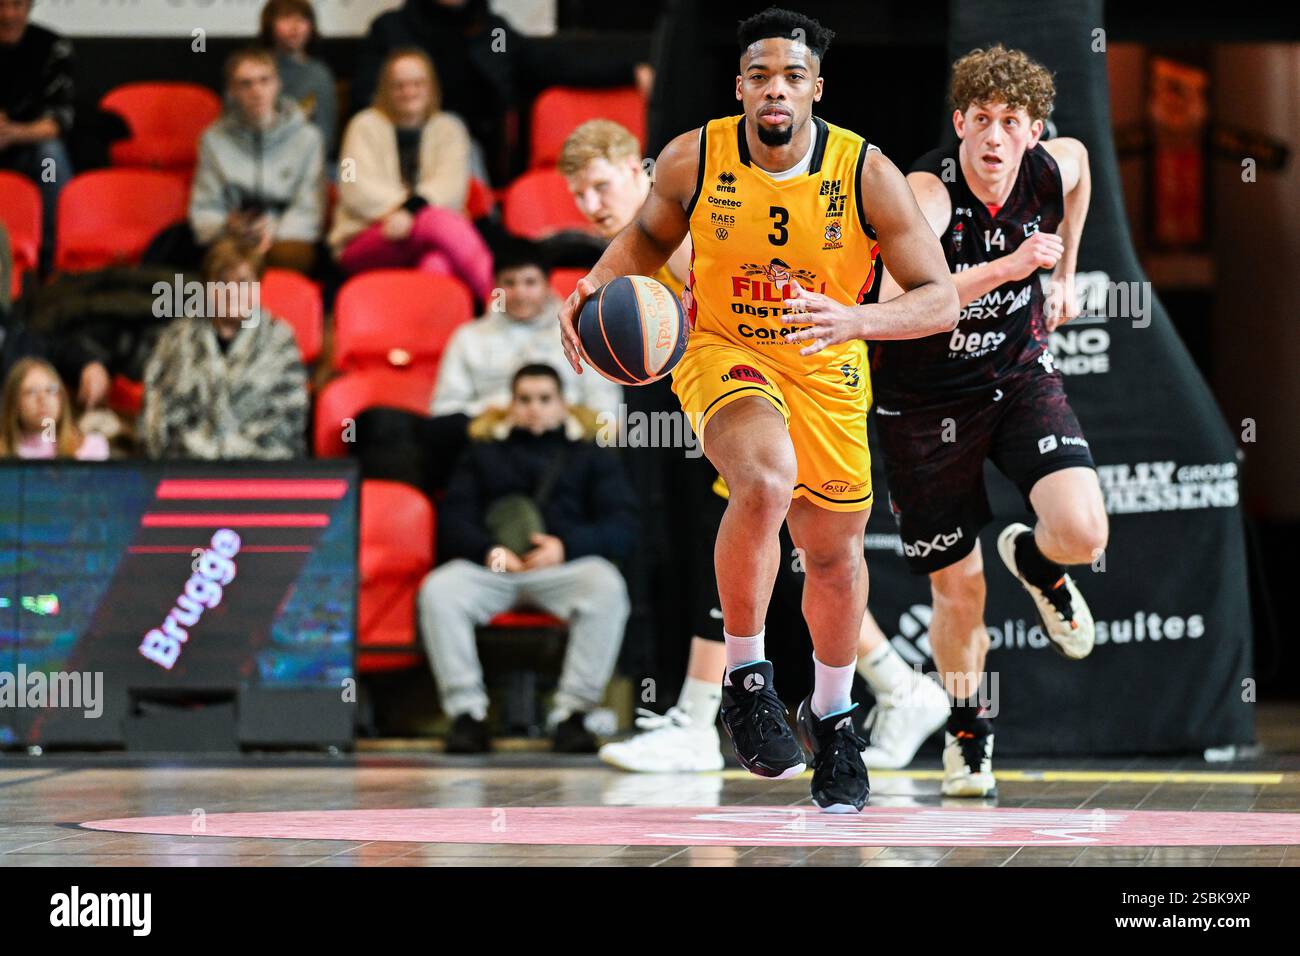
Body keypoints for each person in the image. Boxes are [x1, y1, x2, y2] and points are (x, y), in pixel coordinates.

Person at [560, 7, 958, 811]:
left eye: (792, 76)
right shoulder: (691, 157)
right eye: (760, 75)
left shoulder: (864, 171)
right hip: (724, 352)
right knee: (765, 481)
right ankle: (747, 680)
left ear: (817, 88)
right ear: (739, 85)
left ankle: (837, 720)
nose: (775, 89)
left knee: (836, 559)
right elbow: (641, 240)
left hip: (828, 363)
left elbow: (940, 300)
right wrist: (590, 294)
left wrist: (856, 320)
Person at [852, 45, 1105, 796]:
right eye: (983, 120)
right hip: (924, 406)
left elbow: (1084, 166)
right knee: (959, 589)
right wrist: (1011, 267)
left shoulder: (1051, 167)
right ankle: (968, 730)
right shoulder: (927, 193)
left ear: (1032, 132)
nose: (995, 137)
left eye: (1012, 123)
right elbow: (905, 305)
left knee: (1086, 531)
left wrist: (1063, 276)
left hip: (1016, 380)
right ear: (960, 122)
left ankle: (1040, 563)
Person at [419, 363, 636, 754]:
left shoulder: (590, 456)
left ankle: (573, 715)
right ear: (510, 406)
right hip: (496, 571)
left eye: (544, 399)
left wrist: (564, 547)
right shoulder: (482, 454)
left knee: (605, 585)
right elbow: (453, 520)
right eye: (524, 400)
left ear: (563, 405)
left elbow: (622, 526)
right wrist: (490, 551)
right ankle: (468, 714)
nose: (534, 408)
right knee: (441, 590)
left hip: (562, 570)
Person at [353, 0, 652, 182]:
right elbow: (365, 102)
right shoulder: (390, 29)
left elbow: (556, 63)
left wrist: (627, 71)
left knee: (463, 145)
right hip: (399, 157)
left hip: (477, 163)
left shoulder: (492, 32)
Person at [330, 48, 493, 307]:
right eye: (399, 85)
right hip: (368, 236)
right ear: (385, 89)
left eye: (418, 83)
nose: (409, 92)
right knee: (437, 222)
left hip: (432, 236)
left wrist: (409, 214)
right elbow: (355, 188)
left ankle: (426, 339)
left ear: (431, 87)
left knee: (436, 263)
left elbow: (450, 191)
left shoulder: (450, 128)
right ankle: (498, 298)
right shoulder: (363, 125)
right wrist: (411, 211)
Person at [140, 239, 308, 460]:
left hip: (261, 470)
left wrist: (232, 451)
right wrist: (201, 450)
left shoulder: (279, 340)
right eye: (221, 282)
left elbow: (288, 418)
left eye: (243, 282)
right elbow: (157, 411)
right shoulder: (176, 338)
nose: (232, 292)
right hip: (185, 470)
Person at [432, 239, 621, 420]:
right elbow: (444, 411)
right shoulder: (468, 338)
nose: (520, 293)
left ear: (547, 285)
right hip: (492, 443)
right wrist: (491, 415)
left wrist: (565, 419)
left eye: (530, 282)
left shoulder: (581, 333)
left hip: (568, 443)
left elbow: (606, 411)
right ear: (495, 286)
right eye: (509, 283)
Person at [189, 47, 324, 274]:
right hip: (233, 235)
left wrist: (273, 230)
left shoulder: (307, 137)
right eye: (246, 84)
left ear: (278, 84)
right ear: (231, 91)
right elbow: (204, 207)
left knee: (291, 256)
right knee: (223, 260)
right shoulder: (213, 140)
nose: (257, 91)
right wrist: (227, 226)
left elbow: (309, 208)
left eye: (265, 81)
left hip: (286, 235)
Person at [0, 0, 74, 265]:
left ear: (28, 8)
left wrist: (13, 133)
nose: (8, 15)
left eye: (17, 6)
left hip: (29, 148)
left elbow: (58, 121)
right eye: (1, 6)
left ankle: (52, 257)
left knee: (50, 156)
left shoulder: (52, 47)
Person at [259, 0, 337, 160]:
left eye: (302, 19)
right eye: (286, 18)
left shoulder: (319, 74)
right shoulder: (254, 71)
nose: (295, 27)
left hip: (305, 162)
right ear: (270, 24)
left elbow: (325, 136)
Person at [0, 357, 107, 460]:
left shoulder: (90, 448)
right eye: (31, 392)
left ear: (61, 398)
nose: (43, 399)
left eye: (51, 390)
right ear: (14, 403)